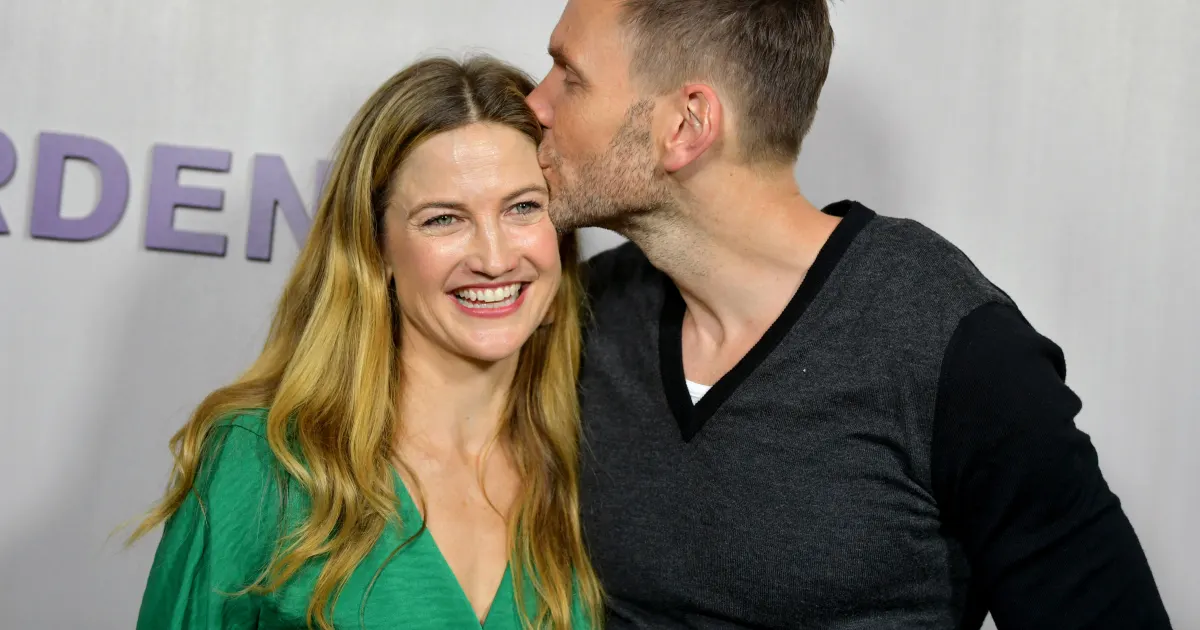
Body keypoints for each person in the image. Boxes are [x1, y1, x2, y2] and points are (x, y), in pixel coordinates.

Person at [525, 1, 1173, 628]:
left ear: (687, 125)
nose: (536, 104)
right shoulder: (589, 315)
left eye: (570, 75)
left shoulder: (954, 349)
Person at [128, 55, 602, 630]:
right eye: (444, 219)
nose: (495, 258)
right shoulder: (265, 462)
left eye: (524, 207)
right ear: (375, 249)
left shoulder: (590, 471)